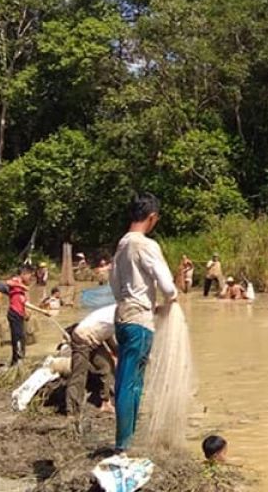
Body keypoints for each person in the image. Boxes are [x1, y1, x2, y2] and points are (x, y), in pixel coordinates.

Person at [109, 192, 178, 453]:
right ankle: (123, 444)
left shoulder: (121, 246)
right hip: (140, 322)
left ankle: (128, 439)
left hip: (122, 316)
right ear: (152, 218)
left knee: (130, 378)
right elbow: (167, 286)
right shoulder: (146, 245)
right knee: (131, 381)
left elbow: (115, 286)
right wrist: (172, 298)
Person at [67, 304, 117, 417]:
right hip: (81, 337)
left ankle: (106, 402)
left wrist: (115, 352)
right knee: (79, 375)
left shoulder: (119, 311)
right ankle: (72, 411)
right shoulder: (122, 314)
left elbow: (106, 333)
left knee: (106, 366)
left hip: (94, 339)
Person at [6, 264, 34, 365]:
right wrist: (22, 286)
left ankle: (21, 358)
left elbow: (25, 300)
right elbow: (8, 282)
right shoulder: (16, 280)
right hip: (14, 313)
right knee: (17, 338)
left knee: (22, 337)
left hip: (20, 313)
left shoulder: (24, 283)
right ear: (23, 274)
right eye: (29, 275)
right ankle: (16, 361)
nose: (30, 277)